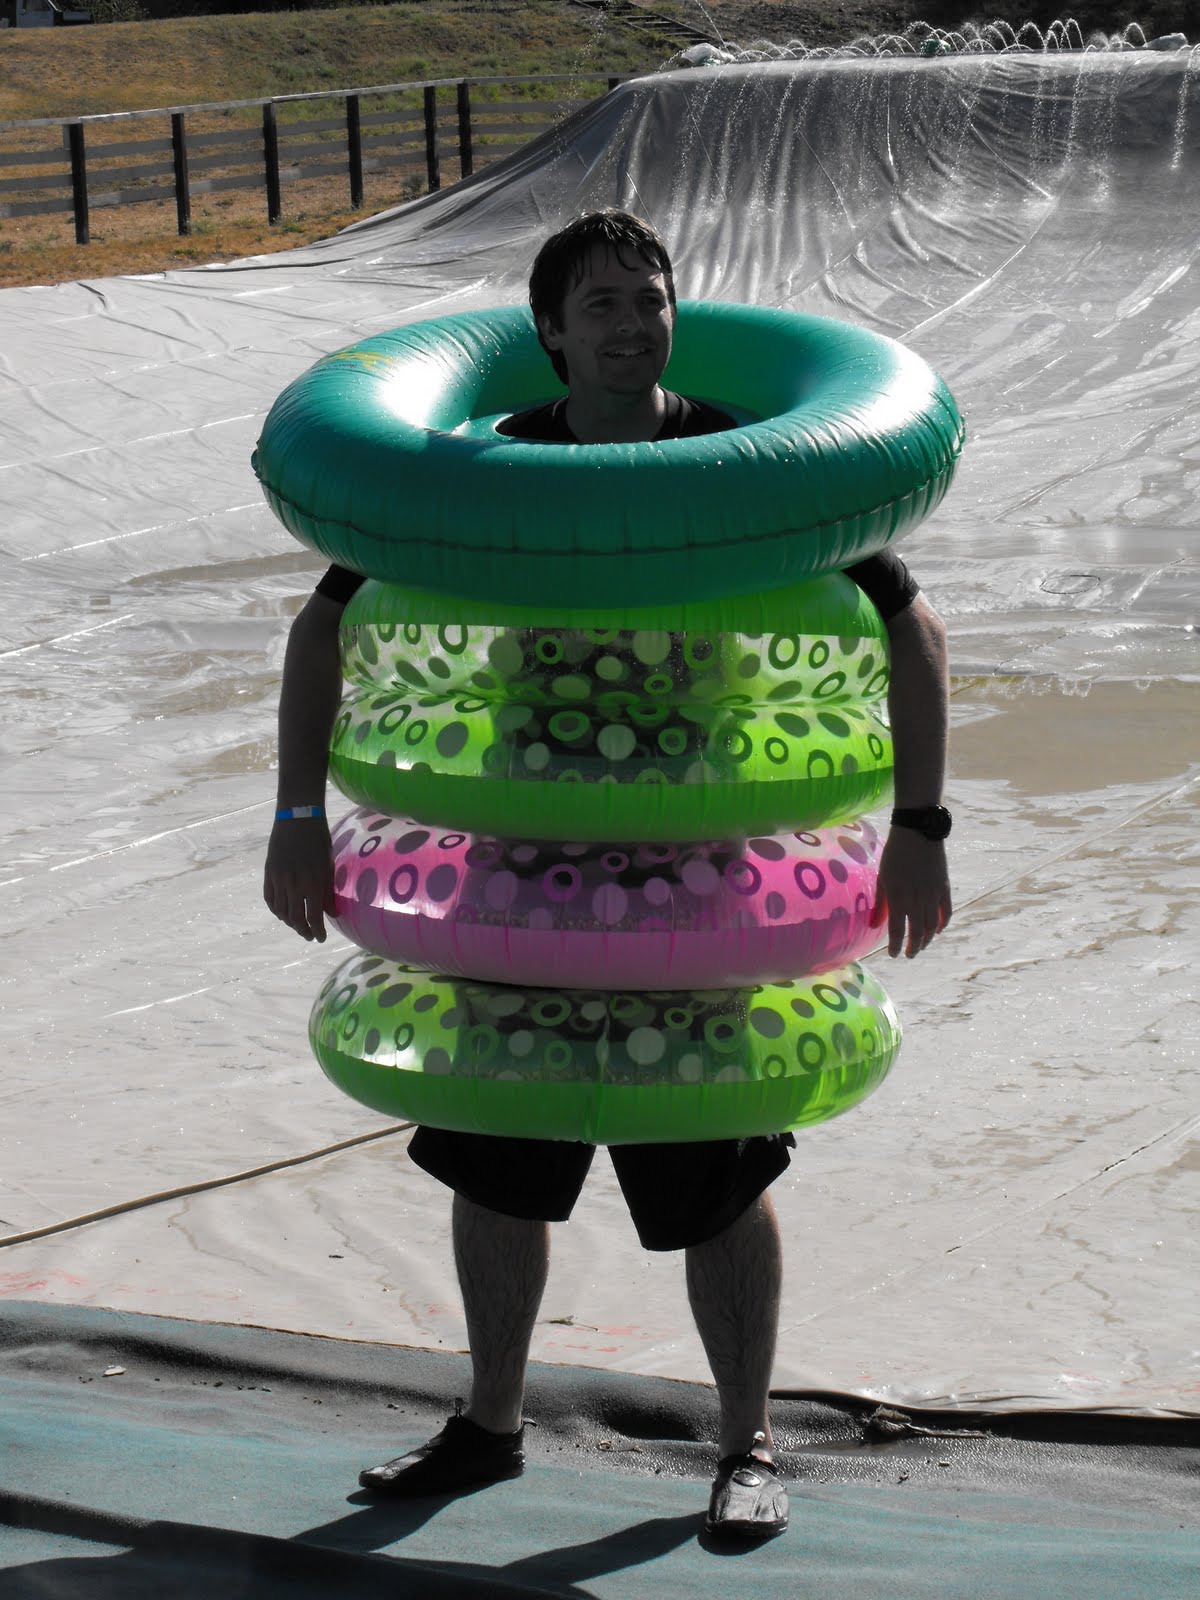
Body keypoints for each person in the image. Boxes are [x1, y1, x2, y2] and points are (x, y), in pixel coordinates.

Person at [264, 211, 952, 1541]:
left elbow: (907, 621)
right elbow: (328, 620)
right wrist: (299, 811)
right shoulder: (492, 464)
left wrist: (920, 827)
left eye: (650, 298)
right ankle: (489, 1424)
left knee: (716, 1164)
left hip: (698, 864)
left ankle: (746, 1444)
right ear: (550, 335)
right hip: (520, 859)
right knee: (495, 1152)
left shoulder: (740, 459)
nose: (630, 323)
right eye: (600, 305)